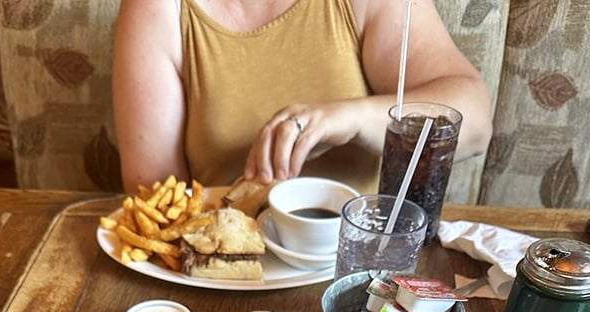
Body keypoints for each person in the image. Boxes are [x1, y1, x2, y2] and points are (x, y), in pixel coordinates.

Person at [112, 0, 492, 194]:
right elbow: (156, 199)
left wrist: (351, 119)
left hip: (357, 274)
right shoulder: (157, 9)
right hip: (223, 280)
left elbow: (474, 123)